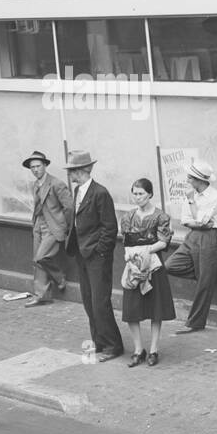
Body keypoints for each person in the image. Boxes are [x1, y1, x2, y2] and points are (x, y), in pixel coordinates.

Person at [63, 150, 124, 361]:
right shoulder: (78, 190)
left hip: (96, 256)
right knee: (88, 301)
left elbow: (110, 228)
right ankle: (98, 342)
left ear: (80, 170)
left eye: (71, 169)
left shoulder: (100, 193)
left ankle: (113, 346)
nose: (69, 173)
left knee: (100, 302)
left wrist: (100, 251)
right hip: (82, 254)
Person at [118, 177, 175, 367]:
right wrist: (130, 256)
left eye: (141, 194)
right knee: (132, 309)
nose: (137, 197)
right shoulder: (128, 217)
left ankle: (153, 350)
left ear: (150, 194)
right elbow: (126, 241)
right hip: (134, 267)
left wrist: (145, 250)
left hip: (153, 266)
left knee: (155, 309)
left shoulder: (160, 216)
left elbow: (163, 241)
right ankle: (137, 349)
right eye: (134, 193)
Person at [168, 159, 217, 334]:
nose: (187, 181)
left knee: (204, 283)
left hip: (209, 239)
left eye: (190, 178)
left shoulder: (215, 197)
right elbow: (186, 220)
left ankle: (195, 323)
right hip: (193, 236)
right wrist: (199, 221)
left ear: (200, 180)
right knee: (170, 265)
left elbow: (201, 221)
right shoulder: (191, 194)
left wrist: (193, 205)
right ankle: (206, 276)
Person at [22, 149, 73, 307]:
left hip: (53, 227)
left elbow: (69, 207)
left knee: (41, 257)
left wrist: (63, 226)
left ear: (45, 166)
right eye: (32, 167)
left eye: (38, 166)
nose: (35, 169)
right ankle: (41, 295)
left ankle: (59, 278)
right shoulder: (35, 184)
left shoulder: (56, 184)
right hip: (39, 224)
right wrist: (36, 224)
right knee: (37, 260)